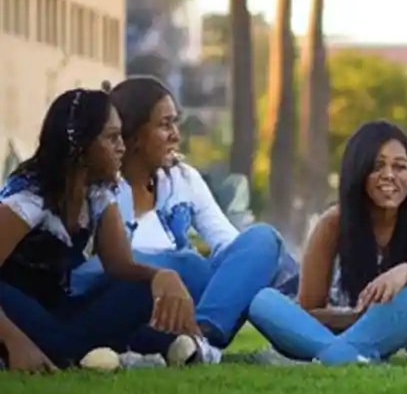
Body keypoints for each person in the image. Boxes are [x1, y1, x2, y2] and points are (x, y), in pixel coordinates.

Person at [68, 77, 284, 362]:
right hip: (126, 300)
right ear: (134, 135)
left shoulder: (183, 179)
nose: (176, 135)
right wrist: (167, 269)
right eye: (165, 124)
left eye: (175, 123)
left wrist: (239, 272)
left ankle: (201, 339)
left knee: (263, 239)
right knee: (188, 263)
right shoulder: (100, 189)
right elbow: (87, 273)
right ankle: (185, 345)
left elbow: (228, 244)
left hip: (191, 303)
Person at [0, 89, 202, 372]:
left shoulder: (98, 191)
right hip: (10, 304)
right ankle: (138, 345)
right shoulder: (31, 197)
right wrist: (15, 341)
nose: (122, 147)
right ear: (81, 146)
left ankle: (101, 348)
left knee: (141, 290)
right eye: (112, 138)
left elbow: (120, 266)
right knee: (63, 343)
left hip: (56, 305)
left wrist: (162, 276)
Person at [247, 120, 407, 365]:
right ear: (358, 172)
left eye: (400, 167)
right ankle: (350, 357)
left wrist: (404, 273)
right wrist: (357, 317)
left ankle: (334, 356)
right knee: (263, 301)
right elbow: (309, 312)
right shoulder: (334, 223)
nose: (389, 175)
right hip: (349, 330)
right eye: (377, 166)